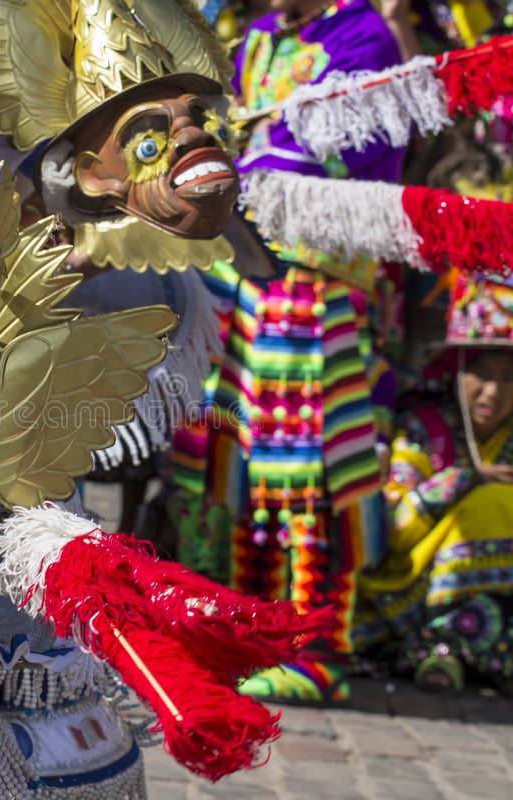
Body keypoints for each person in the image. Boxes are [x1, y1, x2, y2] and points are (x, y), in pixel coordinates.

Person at [170, 0, 412, 704]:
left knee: (306, 468)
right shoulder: (260, 40)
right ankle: (252, 630)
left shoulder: (361, 36)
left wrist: (243, 159)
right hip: (239, 274)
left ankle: (317, 645)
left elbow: (350, 148)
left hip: (314, 280)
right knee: (232, 456)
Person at [355, 276, 513, 693]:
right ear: (457, 371)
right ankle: (447, 645)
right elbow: (394, 526)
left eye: (509, 378)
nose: (493, 392)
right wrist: (466, 480)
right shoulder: (423, 430)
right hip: (417, 589)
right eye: (482, 374)